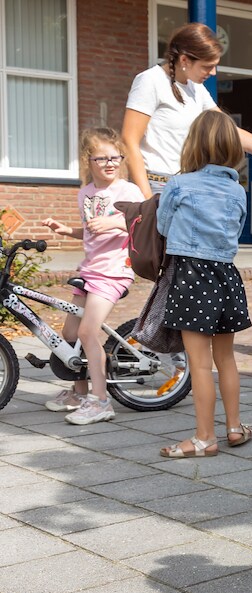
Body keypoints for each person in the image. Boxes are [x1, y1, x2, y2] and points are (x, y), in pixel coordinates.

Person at [156, 110, 252, 457]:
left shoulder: (180, 184)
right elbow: (236, 231)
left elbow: (164, 227)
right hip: (226, 275)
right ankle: (233, 427)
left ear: (193, 144)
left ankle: (203, 438)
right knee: (226, 358)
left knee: (199, 363)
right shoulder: (238, 190)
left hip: (192, 276)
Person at [122, 22, 252, 198]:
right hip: (159, 186)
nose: (213, 72)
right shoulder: (150, 81)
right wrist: (146, 201)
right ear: (184, 60)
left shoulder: (195, 87)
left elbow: (230, 132)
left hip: (189, 185)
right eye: (207, 66)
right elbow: (129, 141)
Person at [42, 128, 144, 425]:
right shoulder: (85, 193)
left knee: (88, 332)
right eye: (103, 158)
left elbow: (145, 226)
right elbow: (91, 230)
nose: (111, 163)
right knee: (70, 335)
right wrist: (69, 231)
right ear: (88, 160)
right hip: (89, 268)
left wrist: (114, 224)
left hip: (114, 270)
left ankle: (101, 401)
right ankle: (78, 391)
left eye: (116, 157)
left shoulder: (128, 192)